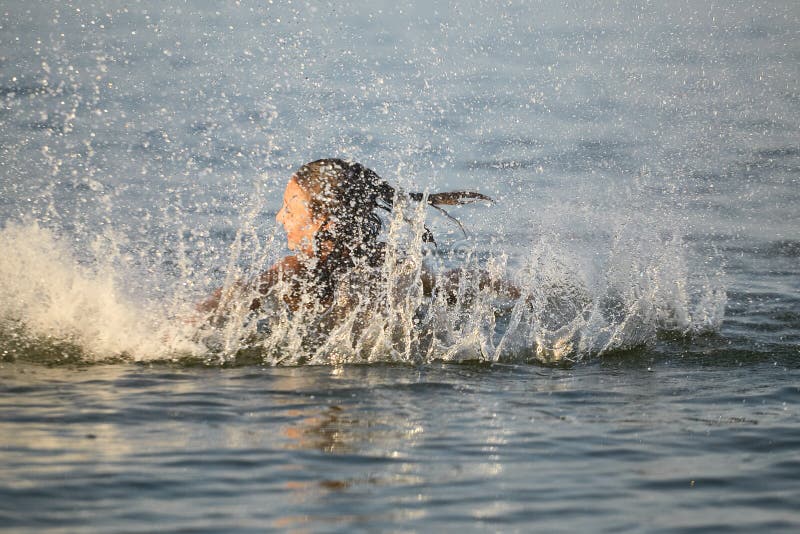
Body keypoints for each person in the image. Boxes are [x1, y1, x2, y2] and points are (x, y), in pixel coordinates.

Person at [198, 158, 498, 325]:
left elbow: (235, 294)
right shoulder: (389, 262)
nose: (280, 217)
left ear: (324, 221)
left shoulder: (293, 272)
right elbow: (458, 282)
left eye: (290, 208)